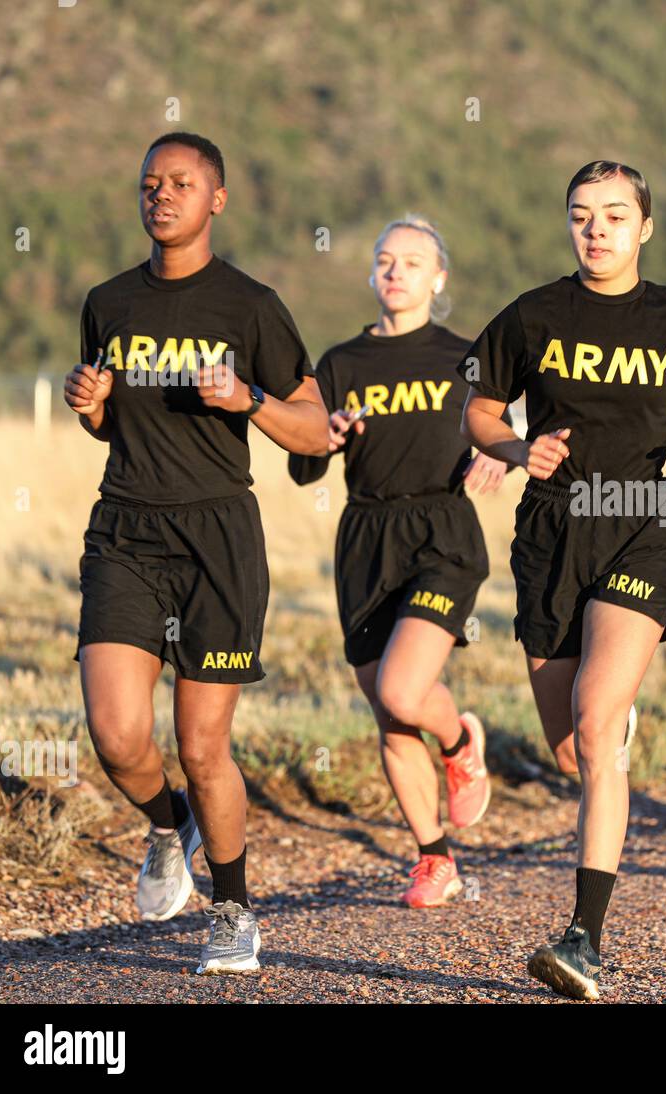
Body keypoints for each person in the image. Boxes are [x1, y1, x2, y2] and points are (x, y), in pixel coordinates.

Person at [457, 161, 666, 999]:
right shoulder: (534, 315)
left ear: (644, 228)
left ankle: (584, 938)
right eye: (583, 215)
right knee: (573, 752)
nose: (598, 229)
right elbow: (479, 411)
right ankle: (608, 731)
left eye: (616, 215)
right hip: (551, 537)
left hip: (639, 528)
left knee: (592, 726)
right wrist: (516, 448)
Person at [62, 133, 329, 974]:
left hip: (218, 539)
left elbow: (316, 428)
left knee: (204, 747)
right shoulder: (108, 302)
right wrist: (89, 406)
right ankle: (164, 821)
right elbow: (110, 424)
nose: (161, 194)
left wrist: (248, 398)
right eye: (150, 183)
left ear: (216, 199)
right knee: (115, 734)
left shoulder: (251, 306)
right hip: (126, 533)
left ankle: (235, 908)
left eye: (180, 183)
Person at [288, 216, 508, 908]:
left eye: (412, 262)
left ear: (438, 278)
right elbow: (301, 465)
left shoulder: (465, 356)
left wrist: (494, 450)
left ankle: (459, 740)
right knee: (387, 714)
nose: (395, 271)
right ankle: (434, 859)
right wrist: (322, 439)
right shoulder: (341, 364)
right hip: (365, 538)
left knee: (403, 691)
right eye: (385, 260)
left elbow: (502, 423)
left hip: (442, 530)